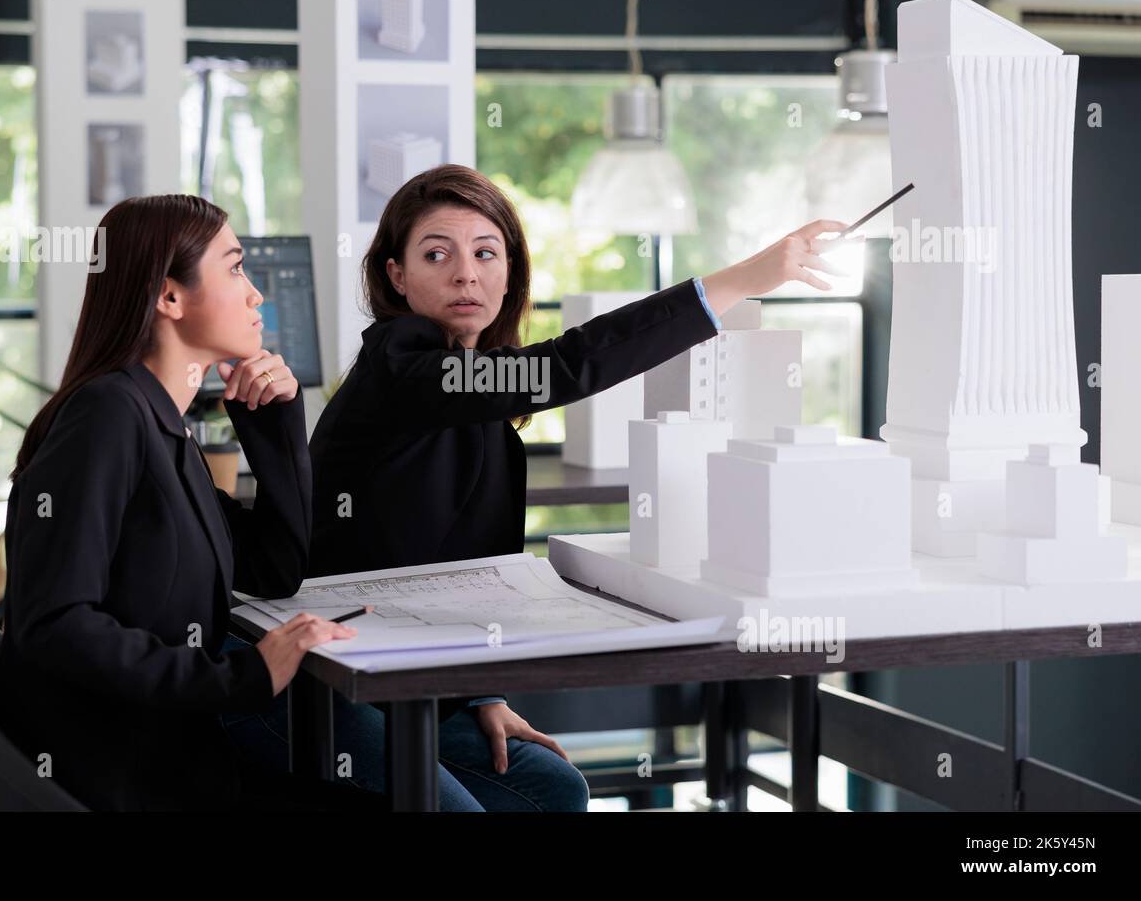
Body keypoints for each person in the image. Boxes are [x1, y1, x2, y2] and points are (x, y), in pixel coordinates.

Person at [224, 164, 847, 811]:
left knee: (551, 789)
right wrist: (746, 279)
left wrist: (483, 696)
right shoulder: (399, 364)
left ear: (509, 273)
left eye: (485, 253)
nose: (466, 272)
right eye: (437, 254)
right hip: (309, 679)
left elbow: (455, 560)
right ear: (396, 277)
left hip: (399, 668)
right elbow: (566, 367)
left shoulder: (469, 389)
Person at [0, 194, 376, 811]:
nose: (256, 294)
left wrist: (276, 426)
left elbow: (271, 570)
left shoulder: (161, 422)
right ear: (169, 297)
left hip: (180, 765)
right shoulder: (109, 416)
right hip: (134, 783)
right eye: (234, 267)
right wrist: (242, 677)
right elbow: (55, 624)